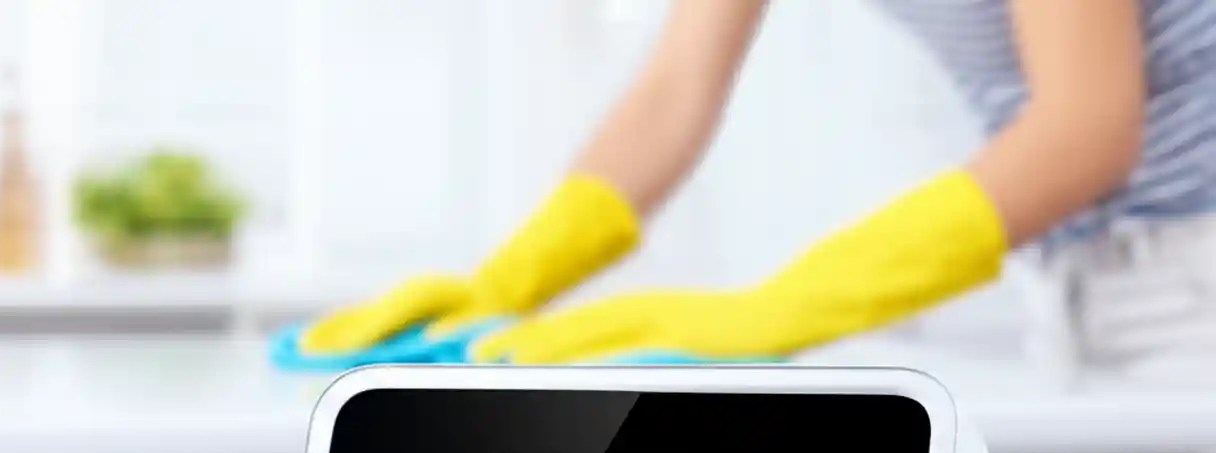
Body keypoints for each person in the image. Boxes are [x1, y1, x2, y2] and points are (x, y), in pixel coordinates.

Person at [294, 0, 1215, 368]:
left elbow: (1087, 129)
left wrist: (786, 305)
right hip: (1083, 280)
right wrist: (507, 282)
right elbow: (676, 89)